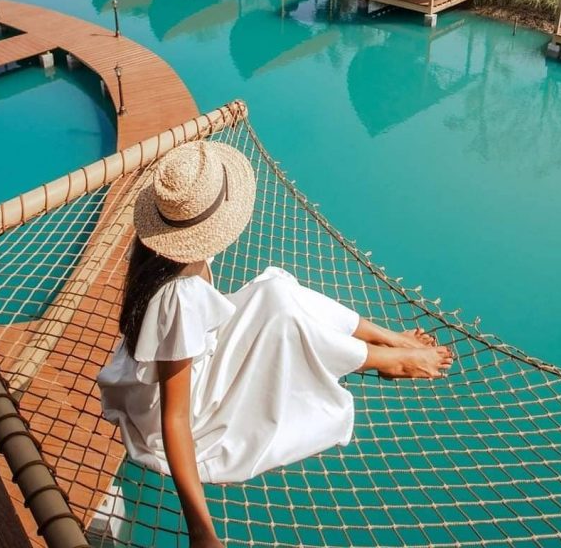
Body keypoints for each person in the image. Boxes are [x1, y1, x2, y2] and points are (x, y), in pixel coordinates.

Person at [97, 141, 454, 548]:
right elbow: (175, 418)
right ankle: (382, 360)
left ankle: (384, 339)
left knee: (276, 288)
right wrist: (201, 530)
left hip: (192, 357)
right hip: (183, 405)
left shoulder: (163, 250)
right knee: (284, 322)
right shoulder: (179, 298)